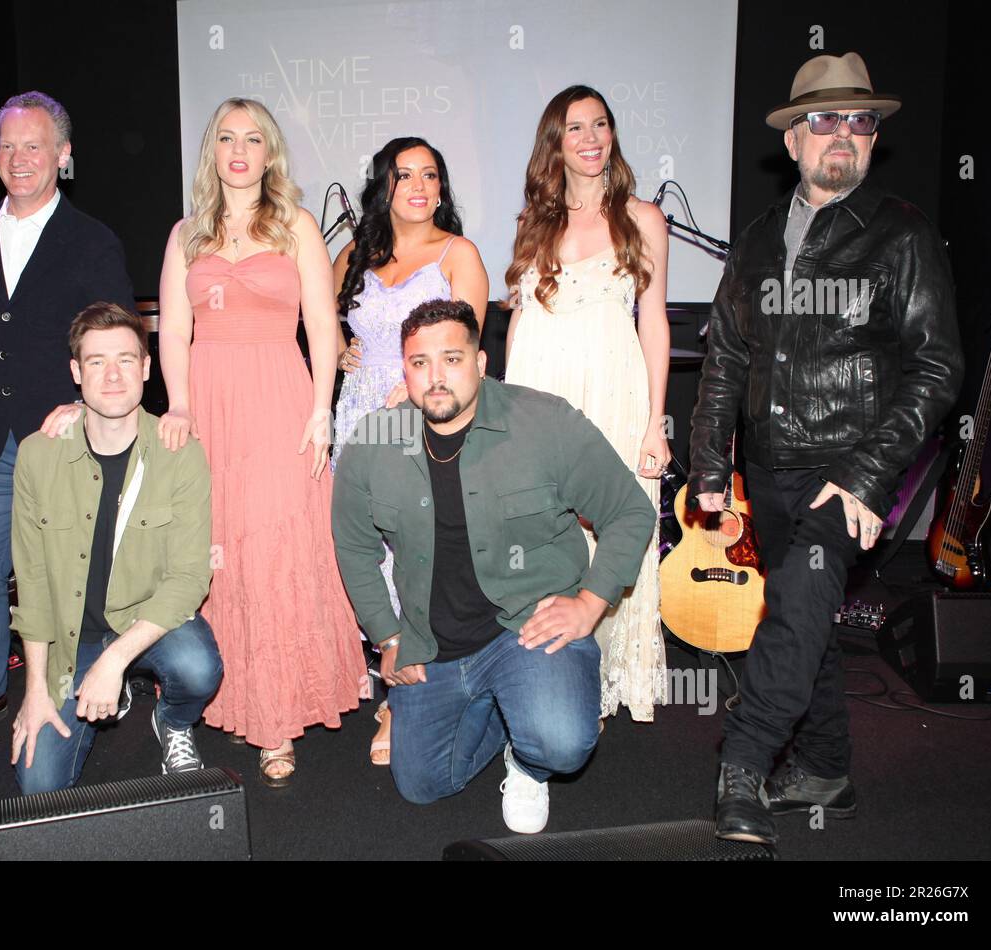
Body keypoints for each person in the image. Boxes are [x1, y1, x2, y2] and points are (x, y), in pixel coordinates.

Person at [689, 52, 964, 844]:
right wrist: (711, 464)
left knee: (795, 607)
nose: (843, 134)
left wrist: (867, 476)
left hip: (848, 473)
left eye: (861, 120)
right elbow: (728, 359)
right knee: (805, 624)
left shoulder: (901, 234)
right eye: (825, 120)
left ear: (874, 139)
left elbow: (940, 365)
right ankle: (827, 771)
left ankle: (741, 765)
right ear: (795, 141)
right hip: (770, 469)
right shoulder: (755, 240)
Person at [332, 298, 655, 833]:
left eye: (452, 359)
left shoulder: (544, 421)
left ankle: (528, 761)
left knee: (561, 742)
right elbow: (352, 547)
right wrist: (388, 638)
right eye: (419, 363)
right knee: (420, 785)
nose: (436, 378)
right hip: (433, 642)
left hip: (527, 628)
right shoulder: (371, 444)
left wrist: (590, 604)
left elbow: (629, 511)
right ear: (404, 370)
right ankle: (505, 714)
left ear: (481, 363)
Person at [157, 97, 366, 786]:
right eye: (226, 137)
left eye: (253, 138)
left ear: (271, 152)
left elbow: (322, 323)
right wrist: (180, 405)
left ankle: (276, 717)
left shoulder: (297, 226)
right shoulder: (186, 234)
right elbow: (173, 334)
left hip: (281, 399)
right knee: (218, 550)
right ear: (211, 151)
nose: (240, 149)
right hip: (210, 408)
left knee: (278, 546)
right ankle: (213, 693)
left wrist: (321, 410)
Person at [0, 92, 137, 745]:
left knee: (79, 569)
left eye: (34, 146)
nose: (19, 159)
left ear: (62, 156)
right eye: (7, 146)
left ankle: (97, 678)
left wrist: (85, 404)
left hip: (73, 437)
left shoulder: (93, 239)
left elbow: (118, 338)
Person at [504, 85, 671, 724]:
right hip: (542, 391)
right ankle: (553, 675)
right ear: (556, 142)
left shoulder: (643, 218)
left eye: (600, 124)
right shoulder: (532, 224)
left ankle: (602, 677)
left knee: (611, 530)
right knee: (550, 533)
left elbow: (652, 322)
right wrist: (507, 415)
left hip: (614, 391)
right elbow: (519, 324)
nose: (591, 138)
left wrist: (656, 423)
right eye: (575, 128)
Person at [9, 303, 221, 793]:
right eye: (96, 362)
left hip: (144, 622)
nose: (111, 376)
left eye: (126, 360)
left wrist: (114, 661)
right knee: (38, 789)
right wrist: (35, 691)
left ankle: (172, 721)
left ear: (147, 369)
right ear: (75, 373)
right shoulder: (38, 455)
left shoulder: (178, 451)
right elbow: (33, 583)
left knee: (198, 665)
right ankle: (100, 684)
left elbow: (190, 578)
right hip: (71, 640)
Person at [331, 136, 489, 765]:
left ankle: (401, 698)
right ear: (384, 187)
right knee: (363, 550)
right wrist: (346, 353)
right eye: (404, 175)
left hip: (419, 418)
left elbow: (461, 355)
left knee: (415, 553)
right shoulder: (353, 254)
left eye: (430, 175)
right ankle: (372, 672)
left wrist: (409, 394)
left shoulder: (459, 254)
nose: (419, 186)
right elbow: (330, 325)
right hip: (355, 419)